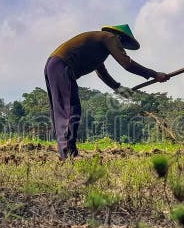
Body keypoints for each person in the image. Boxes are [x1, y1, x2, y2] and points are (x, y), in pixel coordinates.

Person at [44, 24, 169, 159]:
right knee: (69, 110)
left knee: (62, 111)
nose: (121, 48)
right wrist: (154, 74)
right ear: (119, 37)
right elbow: (127, 64)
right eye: (122, 45)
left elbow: (101, 72)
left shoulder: (98, 45)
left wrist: (118, 88)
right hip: (61, 65)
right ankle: (68, 154)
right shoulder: (110, 37)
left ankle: (65, 153)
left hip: (53, 65)